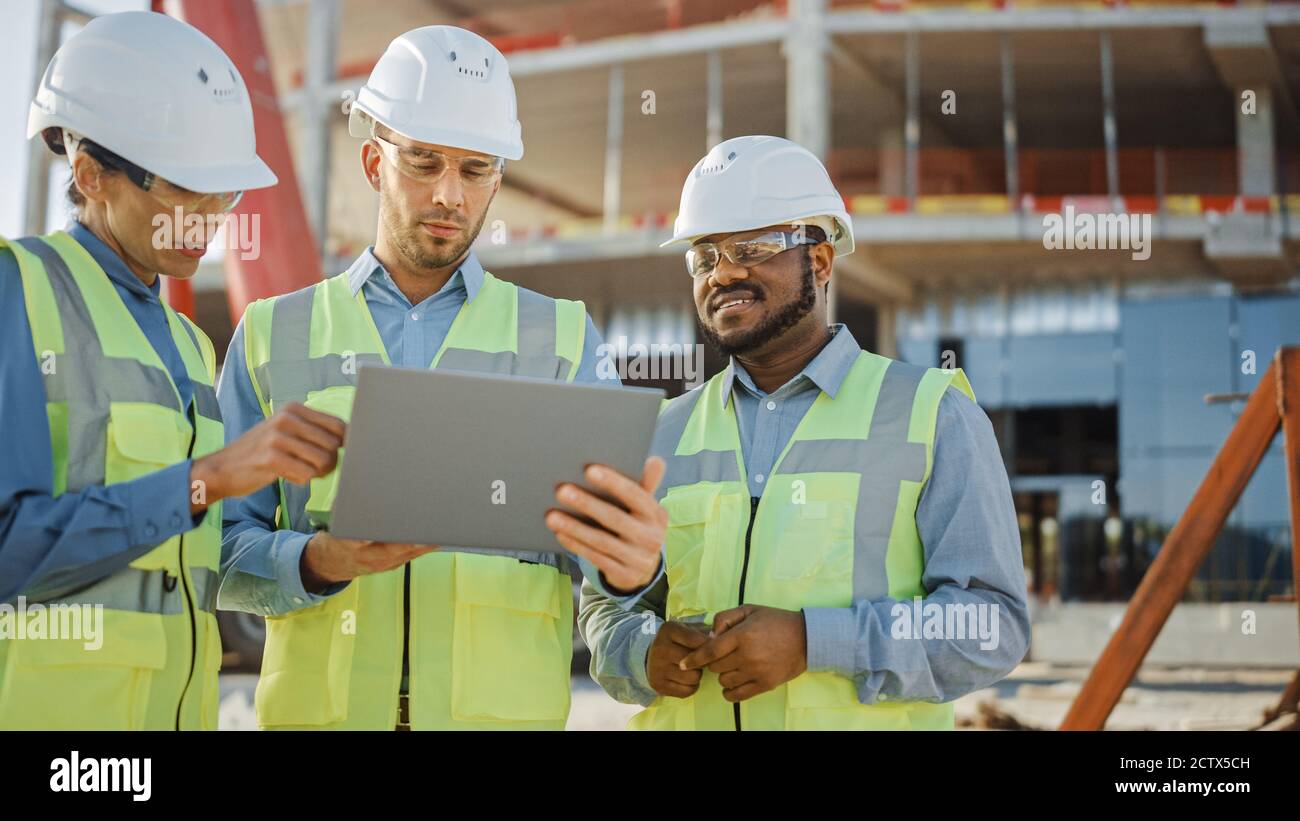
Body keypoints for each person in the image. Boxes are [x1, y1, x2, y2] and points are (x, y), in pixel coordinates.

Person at [217, 25, 666, 730]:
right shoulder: (275, 336)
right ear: (373, 162)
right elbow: (215, 550)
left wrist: (635, 563)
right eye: (423, 163)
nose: (450, 196)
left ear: (498, 177)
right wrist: (319, 560)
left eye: (475, 169)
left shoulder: (564, 339)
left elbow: (607, 572)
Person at [579, 135, 1030, 730]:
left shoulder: (932, 415)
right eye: (705, 255)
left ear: (819, 262)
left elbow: (990, 626)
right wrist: (642, 651)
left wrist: (815, 641)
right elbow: (606, 603)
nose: (725, 272)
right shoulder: (662, 434)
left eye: (753, 246)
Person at [0, 11, 343, 730]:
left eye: (225, 192)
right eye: (186, 191)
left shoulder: (191, 344)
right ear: (90, 173)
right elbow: (9, 552)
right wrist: (208, 478)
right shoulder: (19, 293)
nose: (211, 218)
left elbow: (190, 562)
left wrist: (323, 557)